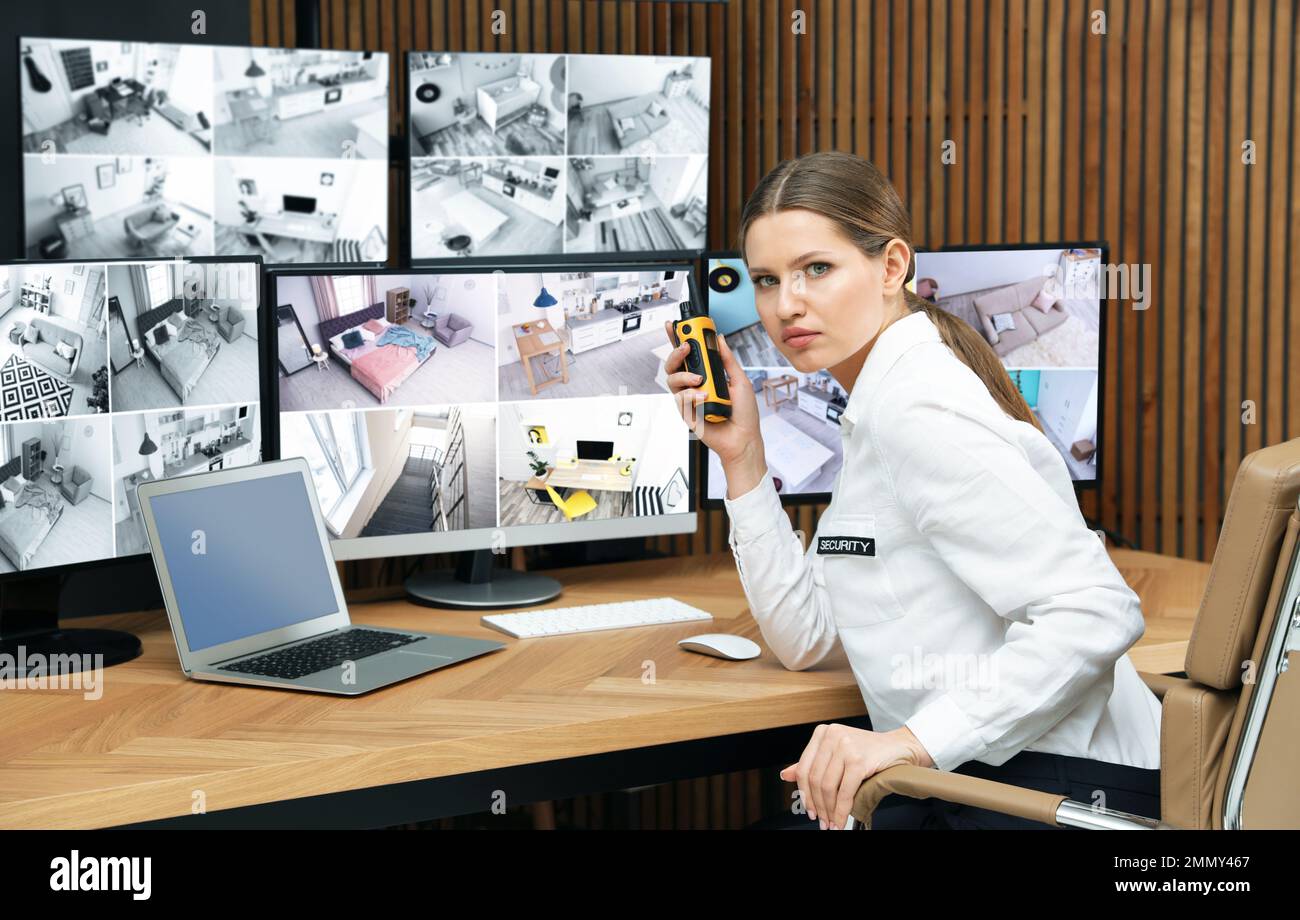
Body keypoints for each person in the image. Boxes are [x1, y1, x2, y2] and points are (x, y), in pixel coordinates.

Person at [664, 152, 1161, 830]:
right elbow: (809, 638)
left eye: (817, 269)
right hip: (981, 775)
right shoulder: (878, 406)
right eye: (766, 280)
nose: (786, 305)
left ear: (892, 266)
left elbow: (1096, 611)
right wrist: (743, 458)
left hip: (1053, 790)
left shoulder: (919, 410)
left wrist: (908, 743)